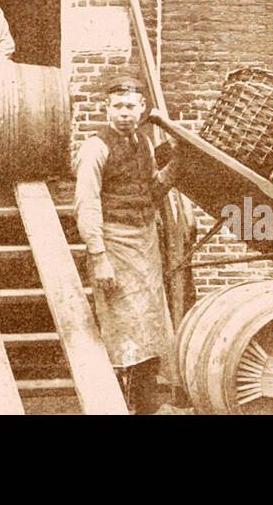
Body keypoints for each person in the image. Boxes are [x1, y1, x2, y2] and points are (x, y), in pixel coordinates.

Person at [73, 73, 177, 414]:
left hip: (144, 243)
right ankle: (123, 405)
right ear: (107, 108)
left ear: (142, 108)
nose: (124, 113)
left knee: (148, 322)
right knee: (123, 326)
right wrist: (99, 256)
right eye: (117, 106)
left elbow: (150, 191)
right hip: (114, 244)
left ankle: (146, 403)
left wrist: (177, 167)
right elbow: (86, 204)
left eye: (131, 106)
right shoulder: (95, 147)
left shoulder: (144, 142)